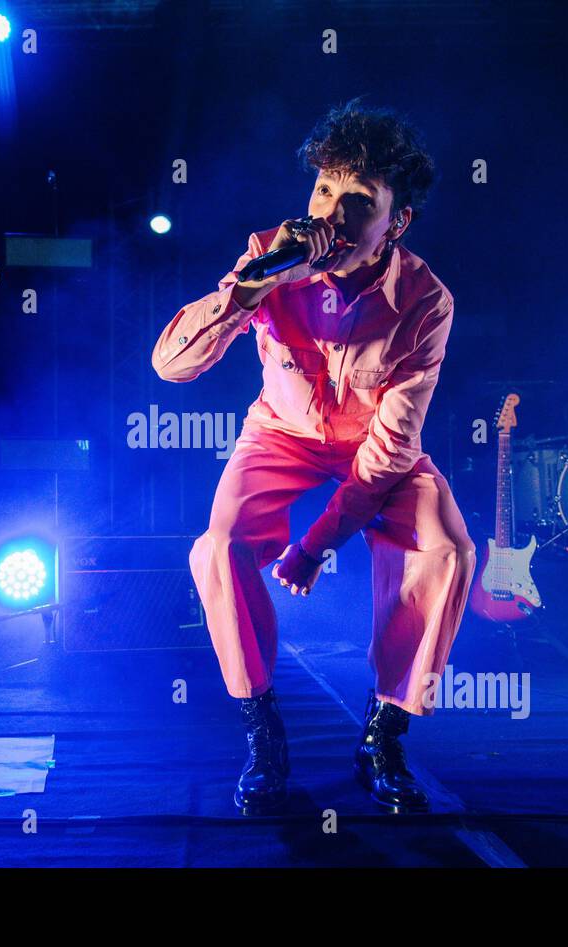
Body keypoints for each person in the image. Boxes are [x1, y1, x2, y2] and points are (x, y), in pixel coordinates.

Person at [152, 101, 475, 814]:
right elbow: (170, 366)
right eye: (324, 190)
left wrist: (314, 543)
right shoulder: (273, 254)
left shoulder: (426, 300)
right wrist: (247, 292)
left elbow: (391, 447)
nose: (332, 212)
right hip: (282, 432)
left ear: (398, 221)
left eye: (358, 201)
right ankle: (263, 732)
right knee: (219, 548)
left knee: (447, 549)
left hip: (374, 450)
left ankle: (384, 734)